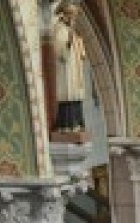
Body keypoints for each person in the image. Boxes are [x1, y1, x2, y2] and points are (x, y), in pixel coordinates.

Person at [52, 1, 87, 131]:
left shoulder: (71, 30)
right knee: (68, 93)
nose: (73, 19)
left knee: (76, 93)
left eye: (74, 16)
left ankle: (77, 123)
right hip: (66, 68)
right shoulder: (60, 29)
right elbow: (60, 51)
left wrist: (78, 43)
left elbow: (79, 50)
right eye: (71, 15)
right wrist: (70, 40)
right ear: (64, 14)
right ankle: (67, 124)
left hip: (74, 68)